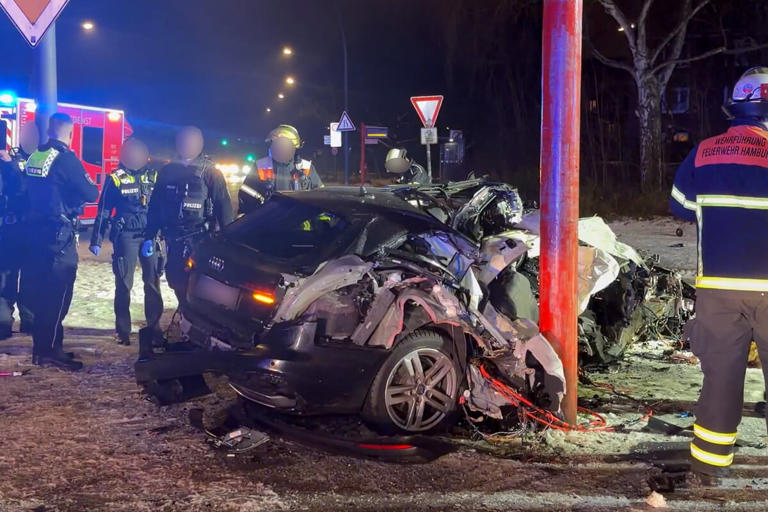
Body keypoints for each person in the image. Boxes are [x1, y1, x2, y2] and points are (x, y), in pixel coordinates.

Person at [671, 66, 768, 480]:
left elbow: (680, 205)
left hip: (718, 289)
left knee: (722, 378)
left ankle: (708, 466)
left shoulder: (705, 150)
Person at [23, 113, 98, 371]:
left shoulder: (36, 155)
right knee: (58, 296)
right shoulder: (66, 158)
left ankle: (45, 348)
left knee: (43, 295)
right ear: (71, 133)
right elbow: (91, 192)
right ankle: (49, 352)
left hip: (36, 235)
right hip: (59, 238)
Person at [142, 126, 233, 305]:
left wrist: (229, 239)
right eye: (183, 141)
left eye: (192, 141)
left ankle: (196, 322)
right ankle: (184, 312)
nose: (187, 145)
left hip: (201, 237)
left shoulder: (211, 172)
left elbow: (224, 206)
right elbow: (156, 205)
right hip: (174, 238)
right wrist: (149, 235)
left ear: (200, 144)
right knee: (176, 279)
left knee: (201, 282)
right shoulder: (167, 171)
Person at [89, 138, 163, 346]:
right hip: (126, 236)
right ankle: (123, 331)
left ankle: (155, 330)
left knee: (152, 283)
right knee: (123, 284)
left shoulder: (154, 176)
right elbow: (103, 209)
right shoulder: (116, 178)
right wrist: (97, 238)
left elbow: (162, 207)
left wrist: (159, 234)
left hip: (149, 236)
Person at [0, 125, 37, 339]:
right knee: (6, 278)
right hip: (10, 227)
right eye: (26, 134)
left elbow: (28, 188)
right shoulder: (8, 158)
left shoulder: (42, 160)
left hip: (33, 228)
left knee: (31, 277)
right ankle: (4, 324)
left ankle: (29, 321)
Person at [238, 124, 322, 214]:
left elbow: (321, 198)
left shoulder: (306, 167)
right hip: (269, 223)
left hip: (300, 223)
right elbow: (246, 196)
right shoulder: (260, 165)